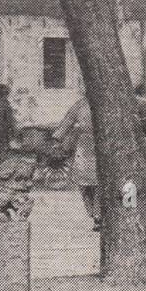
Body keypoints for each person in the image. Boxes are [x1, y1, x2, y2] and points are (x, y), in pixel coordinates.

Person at [55, 94, 99, 231]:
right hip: (83, 147)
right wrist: (58, 138)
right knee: (83, 184)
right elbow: (68, 120)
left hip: (101, 145)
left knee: (99, 184)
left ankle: (98, 217)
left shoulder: (104, 101)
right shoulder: (80, 104)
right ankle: (92, 212)